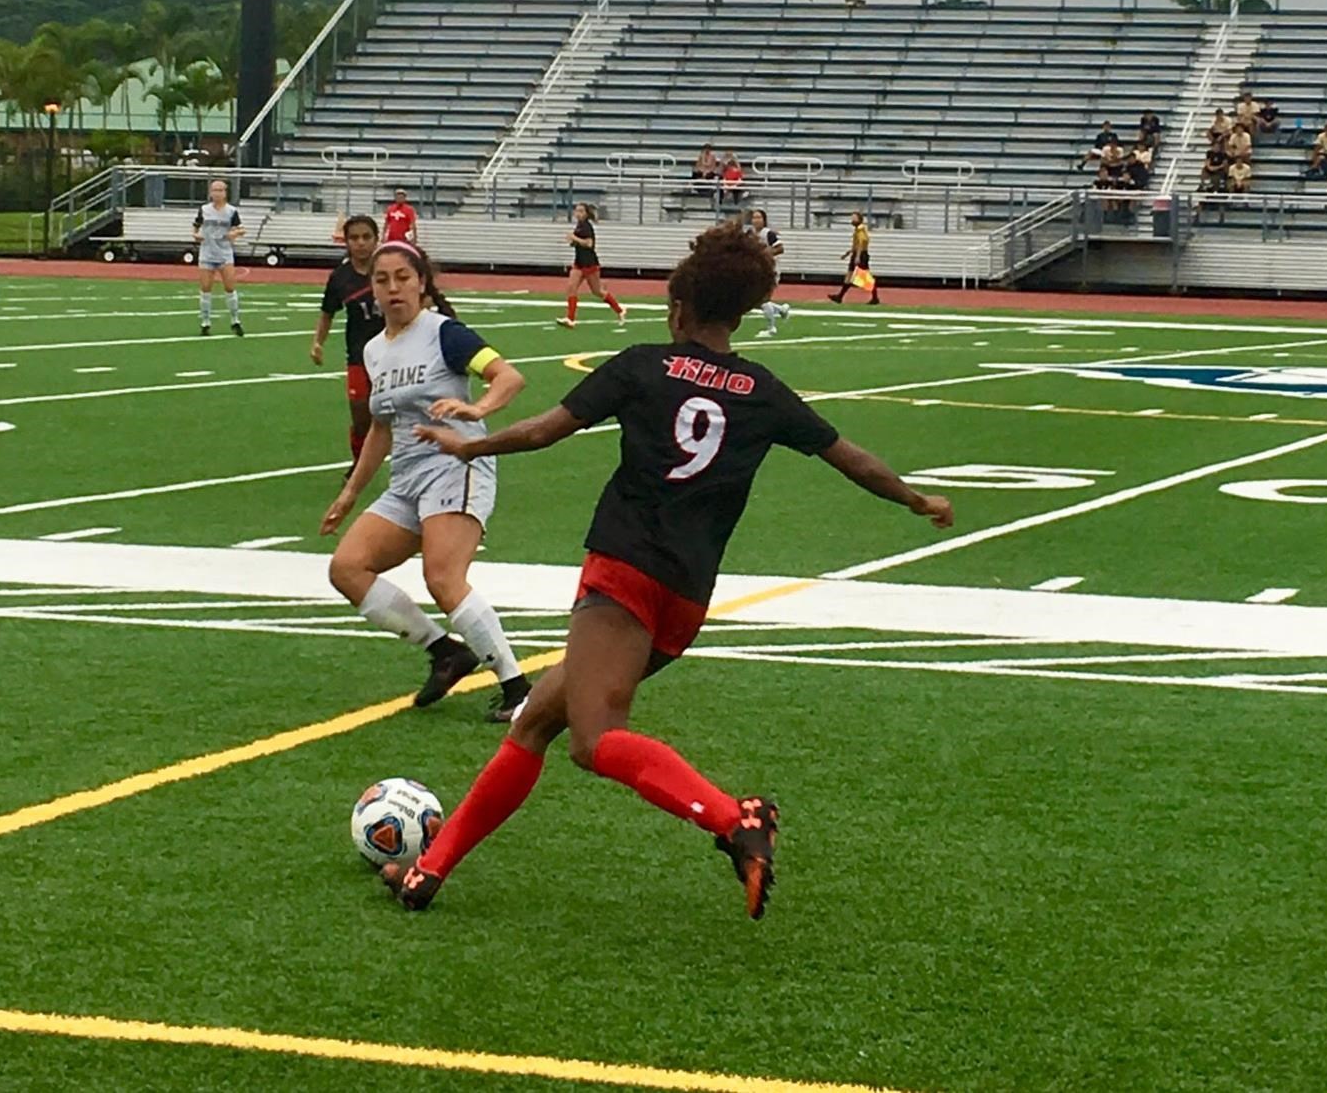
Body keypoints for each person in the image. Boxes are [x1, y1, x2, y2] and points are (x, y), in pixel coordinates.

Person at [383, 222, 955, 917]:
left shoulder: (641, 366)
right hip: (684, 597)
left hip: (623, 574)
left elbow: (543, 430)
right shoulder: (763, 389)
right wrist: (915, 497)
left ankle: (733, 818)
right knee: (535, 722)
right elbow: (850, 456)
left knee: (593, 742)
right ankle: (430, 870)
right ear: (739, 312)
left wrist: (471, 446)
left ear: (680, 308)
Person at [321, 240, 534, 720]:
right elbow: (382, 424)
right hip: (408, 479)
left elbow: (508, 378)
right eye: (382, 280)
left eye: (402, 277)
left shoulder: (445, 334)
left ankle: (519, 689)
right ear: (371, 289)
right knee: (347, 568)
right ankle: (445, 653)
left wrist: (476, 409)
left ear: (421, 283)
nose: (393, 288)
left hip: (455, 466)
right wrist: (350, 493)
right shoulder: (375, 350)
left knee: (441, 576)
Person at [313, 213, 384, 467]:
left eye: (366, 237)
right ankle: (359, 462)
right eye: (354, 238)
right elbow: (327, 312)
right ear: (346, 242)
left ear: (377, 239)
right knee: (360, 412)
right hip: (359, 354)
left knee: (402, 412)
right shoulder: (341, 277)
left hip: (396, 352)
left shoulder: (389, 269)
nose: (361, 243)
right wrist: (318, 342)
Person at [559, 202, 627, 328]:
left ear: (586, 214)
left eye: (581, 211)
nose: (578, 214)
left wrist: (574, 238)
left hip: (589, 263)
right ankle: (570, 318)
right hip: (579, 262)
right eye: (577, 211)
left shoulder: (586, 227)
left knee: (597, 291)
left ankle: (619, 310)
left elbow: (589, 244)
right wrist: (573, 242)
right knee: (571, 287)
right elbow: (579, 243)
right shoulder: (579, 226)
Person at [193, 178, 244, 337]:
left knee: (229, 287)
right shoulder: (204, 209)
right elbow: (196, 225)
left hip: (224, 253)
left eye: (220, 190)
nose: (217, 193)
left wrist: (233, 234)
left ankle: (235, 320)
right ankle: (205, 322)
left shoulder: (231, 211)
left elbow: (241, 229)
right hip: (207, 252)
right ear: (210, 192)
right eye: (214, 190)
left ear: (225, 192)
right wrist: (196, 235)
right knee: (206, 288)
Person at [746, 209, 791, 337]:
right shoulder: (751, 234)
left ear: (764, 220)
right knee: (756, 301)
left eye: (759, 217)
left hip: (770, 270)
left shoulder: (769, 234)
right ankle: (781, 310)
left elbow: (780, 248)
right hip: (758, 269)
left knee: (763, 299)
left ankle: (771, 328)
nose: (756, 220)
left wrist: (764, 254)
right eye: (754, 218)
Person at [828, 210, 879, 304]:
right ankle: (840, 296)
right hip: (857, 254)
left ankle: (875, 297)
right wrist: (848, 253)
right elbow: (856, 244)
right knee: (849, 276)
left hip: (861, 255)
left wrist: (857, 257)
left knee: (865, 277)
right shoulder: (858, 230)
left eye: (854, 218)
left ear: (859, 219)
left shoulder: (860, 230)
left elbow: (860, 244)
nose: (852, 220)